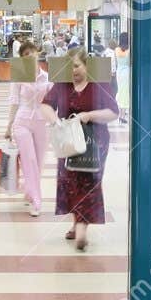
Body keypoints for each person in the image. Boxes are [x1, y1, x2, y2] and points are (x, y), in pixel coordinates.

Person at [42, 50, 120, 252]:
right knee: (70, 182)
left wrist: (89, 115)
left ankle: (82, 228)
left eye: (76, 66)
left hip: (95, 143)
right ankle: (77, 222)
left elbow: (113, 112)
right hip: (68, 142)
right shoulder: (62, 85)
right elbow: (45, 106)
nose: (73, 70)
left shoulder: (99, 85)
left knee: (89, 181)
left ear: (87, 65)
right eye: (69, 67)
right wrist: (55, 121)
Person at [4, 43, 51, 217]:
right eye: (25, 54)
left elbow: (53, 100)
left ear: (37, 53)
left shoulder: (47, 77)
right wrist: (8, 126)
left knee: (38, 161)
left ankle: (29, 190)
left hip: (42, 122)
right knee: (29, 160)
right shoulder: (18, 76)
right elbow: (14, 101)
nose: (29, 55)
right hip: (22, 122)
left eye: (32, 52)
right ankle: (37, 201)